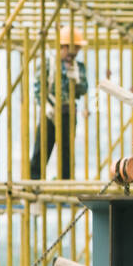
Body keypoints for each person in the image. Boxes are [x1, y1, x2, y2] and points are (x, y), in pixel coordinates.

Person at [29, 26, 89, 180]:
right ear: (62, 47)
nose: (73, 54)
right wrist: (45, 106)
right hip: (50, 112)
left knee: (66, 154)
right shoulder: (48, 63)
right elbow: (38, 87)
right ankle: (34, 184)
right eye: (71, 49)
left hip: (68, 114)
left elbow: (83, 90)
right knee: (41, 150)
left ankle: (65, 186)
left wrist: (76, 79)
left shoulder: (78, 67)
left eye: (77, 49)